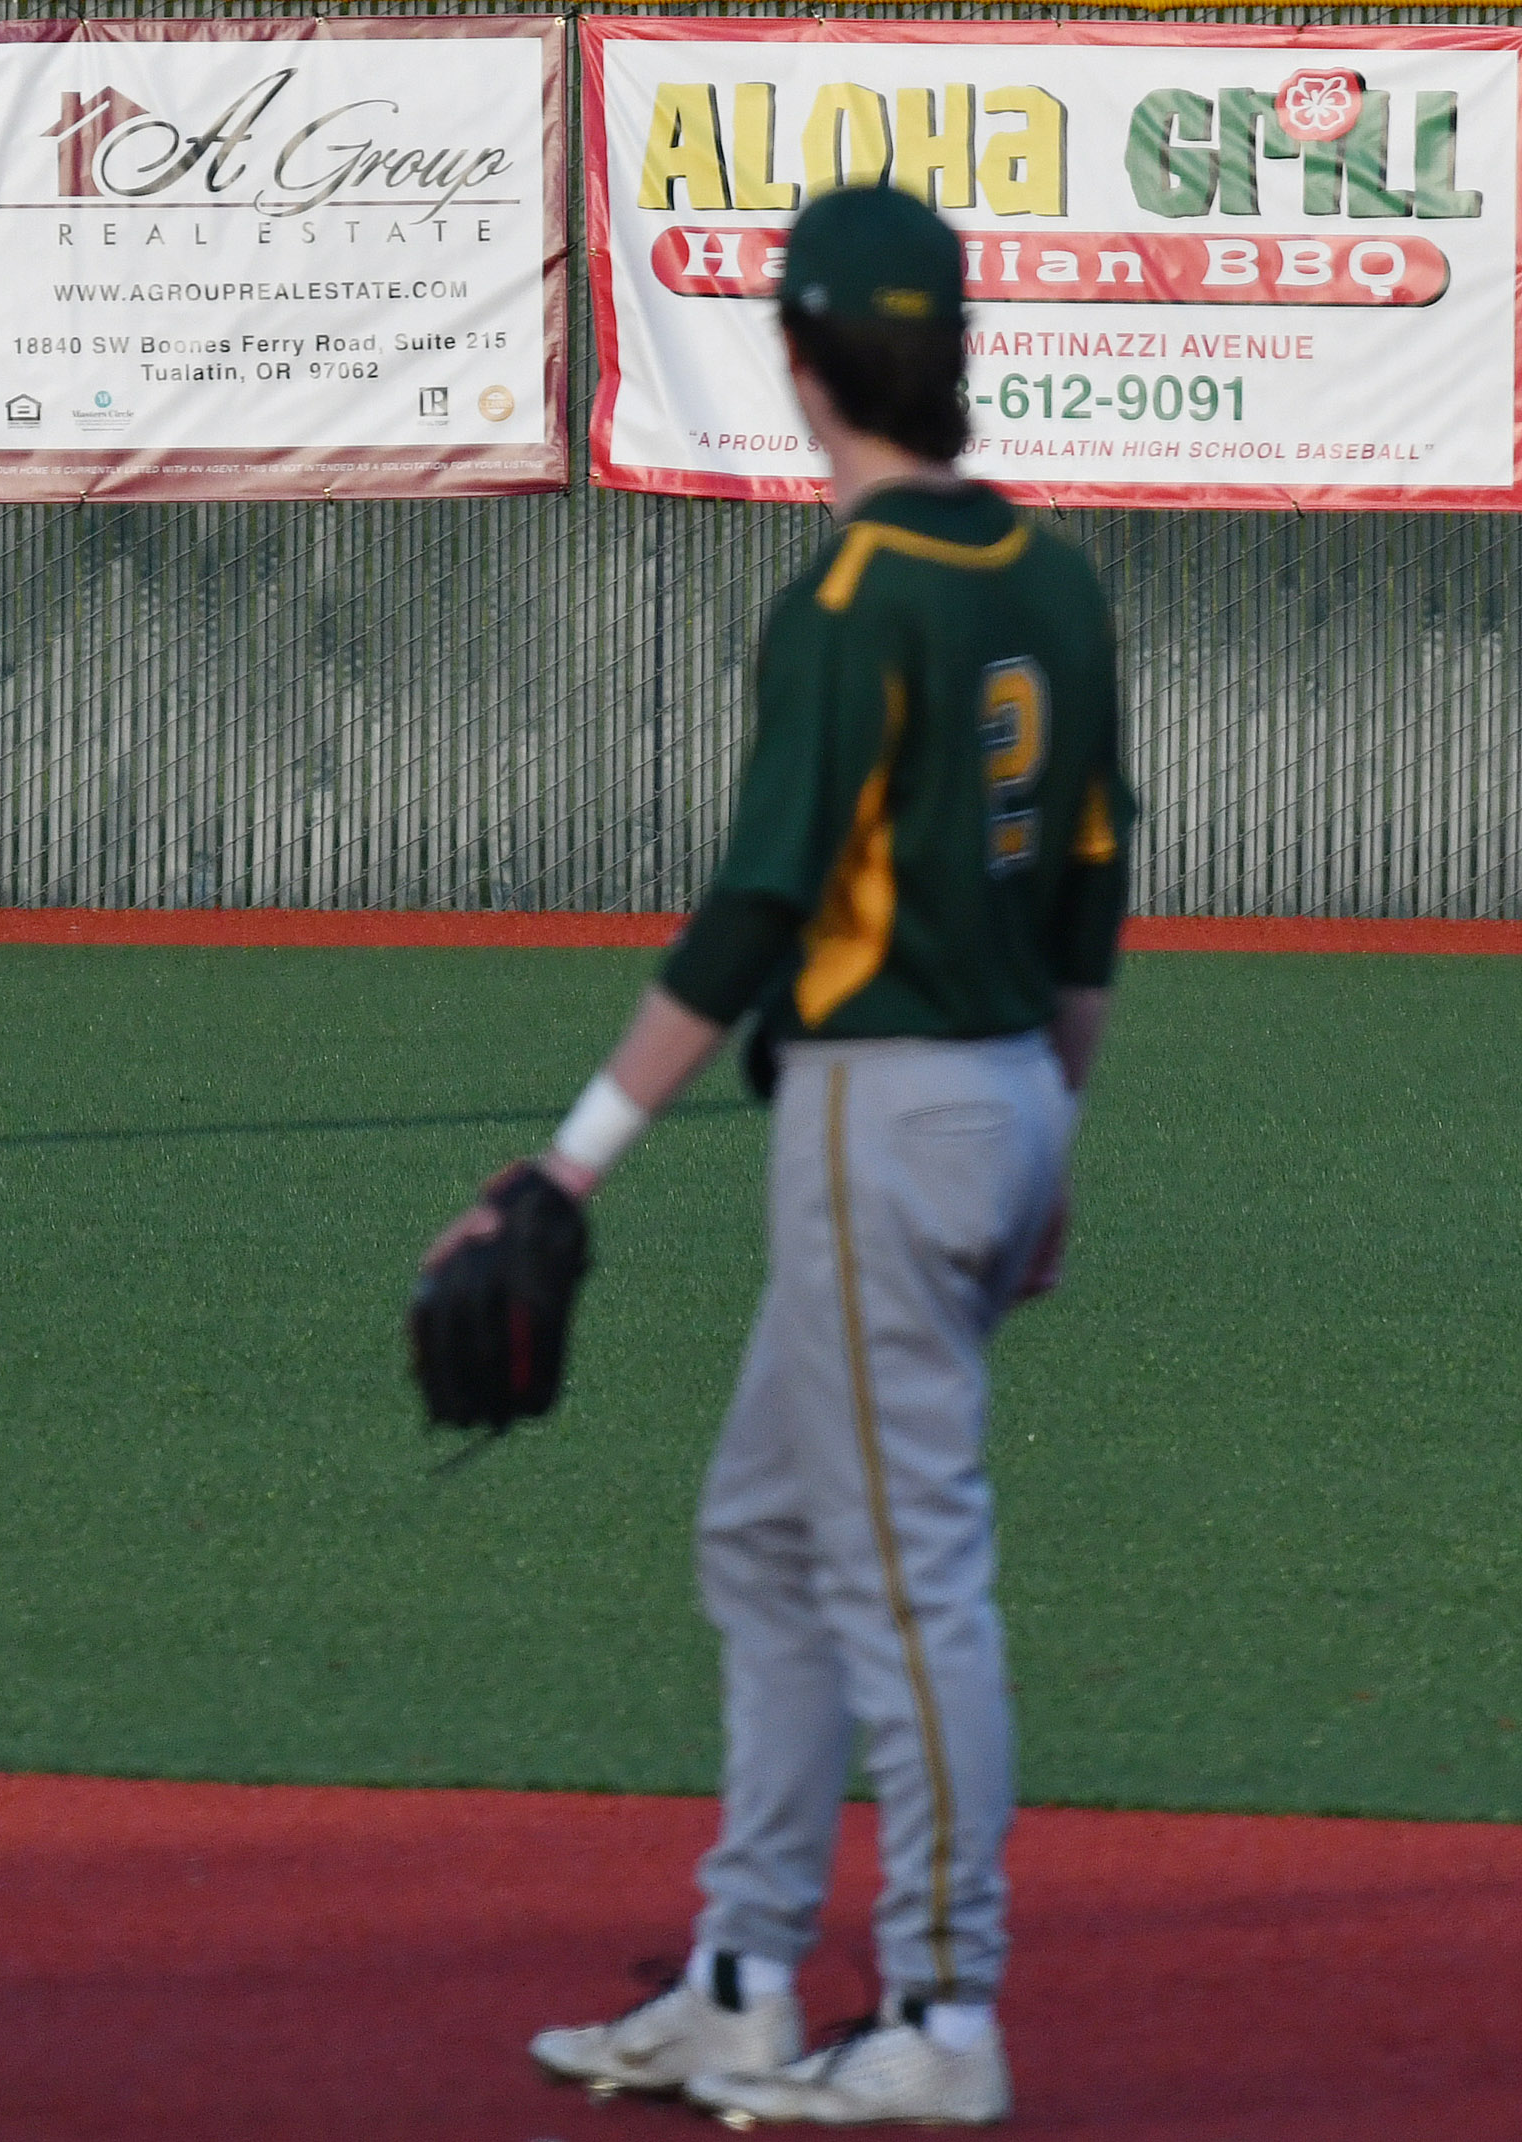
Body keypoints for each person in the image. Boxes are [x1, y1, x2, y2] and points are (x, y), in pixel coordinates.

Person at [481, 185, 1132, 2128]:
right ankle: (748, 1977)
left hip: (891, 1104)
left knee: (909, 1575)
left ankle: (942, 2011)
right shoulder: (1048, 577)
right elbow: (1094, 901)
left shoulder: (858, 601)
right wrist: (1058, 1143)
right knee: (765, 1532)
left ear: (799, 364)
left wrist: (567, 1164)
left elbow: (760, 909)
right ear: (952, 356)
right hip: (1007, 1085)